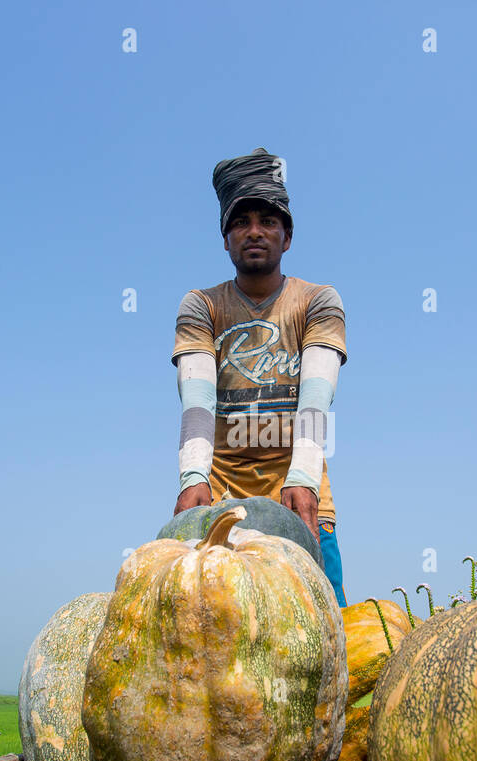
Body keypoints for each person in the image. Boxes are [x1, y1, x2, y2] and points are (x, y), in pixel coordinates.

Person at [170, 146, 348, 605]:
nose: (255, 232)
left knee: (329, 632)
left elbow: (315, 400)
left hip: (299, 497)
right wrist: (192, 477)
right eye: (241, 222)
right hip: (220, 503)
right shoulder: (201, 307)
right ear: (225, 237)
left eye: (268, 221)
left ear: (287, 237)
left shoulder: (318, 302)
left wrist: (303, 479)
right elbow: (197, 405)